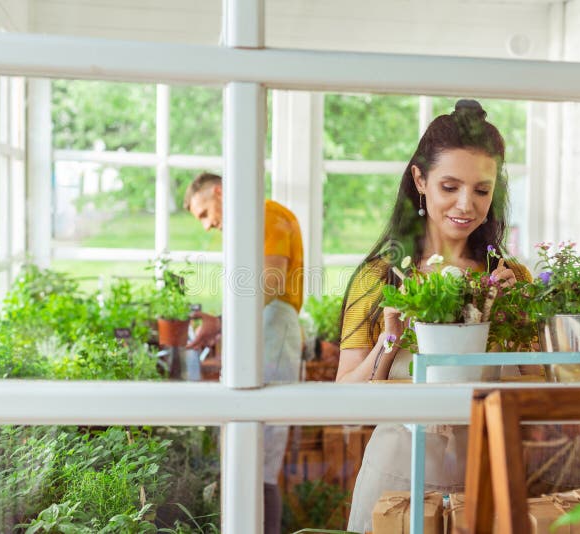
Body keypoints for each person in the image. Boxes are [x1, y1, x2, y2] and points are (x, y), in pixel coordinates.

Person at [336, 100, 532, 532]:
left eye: (482, 190)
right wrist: (392, 336)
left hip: (490, 476)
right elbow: (344, 404)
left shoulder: (510, 278)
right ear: (420, 180)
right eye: (450, 186)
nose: (467, 204)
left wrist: (515, 319)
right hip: (396, 481)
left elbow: (539, 388)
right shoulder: (378, 276)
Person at [183, 172, 303, 534]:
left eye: (205, 213)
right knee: (250, 457)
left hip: (275, 329)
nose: (207, 225)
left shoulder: (266, 214)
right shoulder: (253, 224)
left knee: (261, 461)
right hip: (265, 330)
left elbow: (270, 281)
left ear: (219, 192)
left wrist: (219, 323)